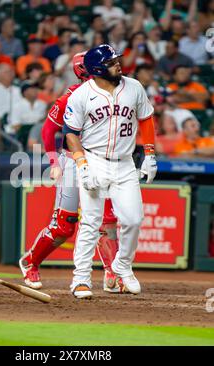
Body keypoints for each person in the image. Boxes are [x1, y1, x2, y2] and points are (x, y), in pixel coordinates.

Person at [19, 52, 124, 296]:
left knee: (106, 219)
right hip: (73, 162)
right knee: (64, 225)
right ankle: (30, 263)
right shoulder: (72, 96)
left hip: (101, 162)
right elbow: (48, 130)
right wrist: (53, 161)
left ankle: (112, 273)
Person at [63, 44, 157, 298]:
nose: (118, 64)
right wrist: (82, 165)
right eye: (111, 61)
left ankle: (122, 266)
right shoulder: (81, 95)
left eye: (117, 59)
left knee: (133, 219)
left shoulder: (134, 87)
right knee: (91, 222)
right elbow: (70, 133)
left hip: (125, 163)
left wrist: (149, 154)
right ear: (96, 68)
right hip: (94, 159)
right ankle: (80, 279)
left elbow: (146, 118)